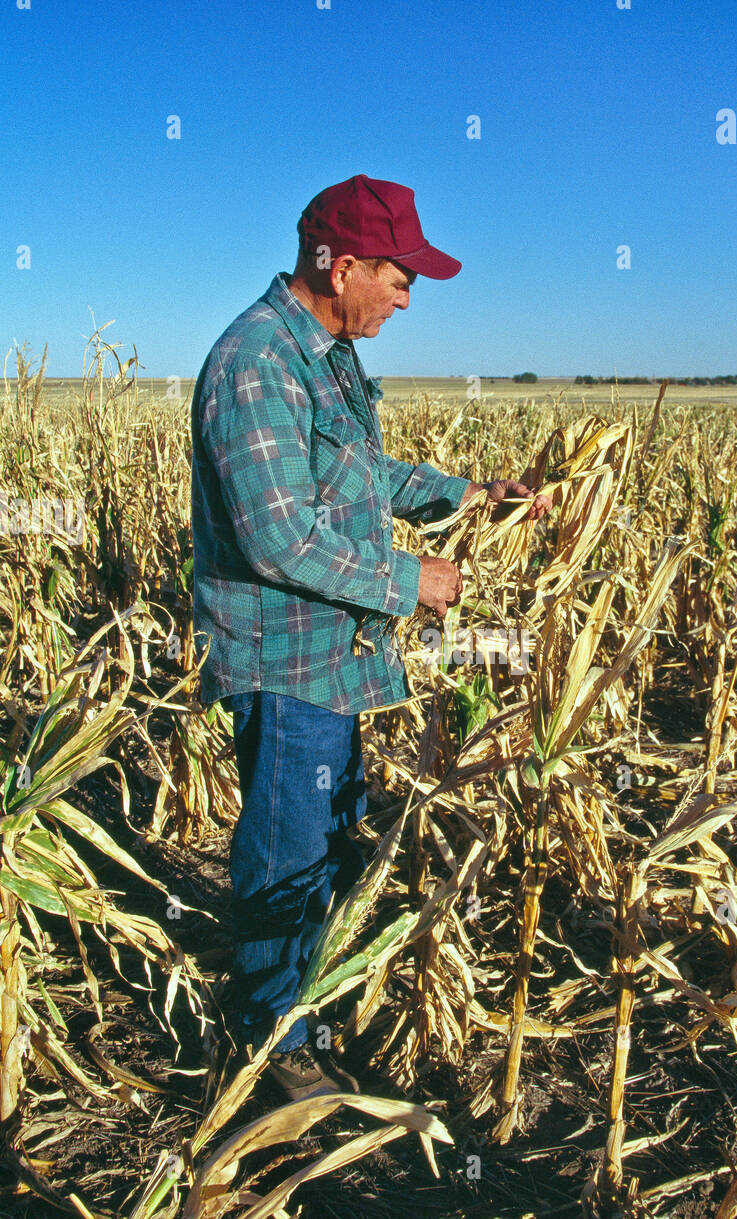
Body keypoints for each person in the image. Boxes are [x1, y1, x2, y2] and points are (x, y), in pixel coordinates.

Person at [190, 174, 550, 1100]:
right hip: (284, 656)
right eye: (398, 275)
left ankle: (304, 989)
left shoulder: (326, 354)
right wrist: (407, 580)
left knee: (332, 830)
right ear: (340, 263)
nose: (406, 294)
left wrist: (467, 495)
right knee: (287, 845)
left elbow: (359, 475)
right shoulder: (258, 361)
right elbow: (276, 537)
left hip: (335, 653)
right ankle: (268, 1043)